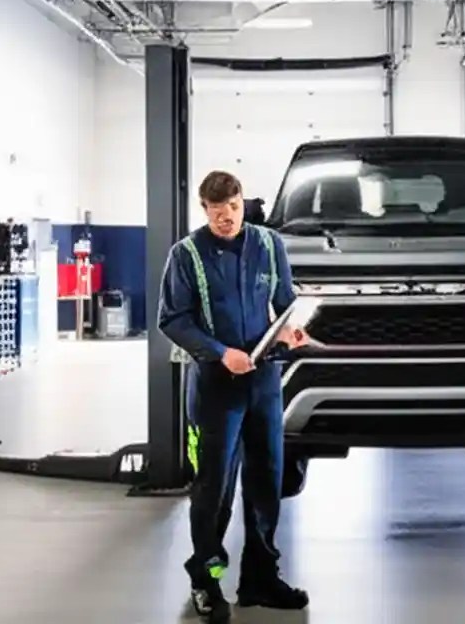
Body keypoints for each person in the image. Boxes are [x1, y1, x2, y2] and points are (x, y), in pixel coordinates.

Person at [158, 170, 310, 621]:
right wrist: (221, 353)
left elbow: (286, 303)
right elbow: (173, 319)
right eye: (219, 212)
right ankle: (206, 579)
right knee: (214, 488)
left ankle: (261, 579)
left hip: (263, 382)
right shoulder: (185, 255)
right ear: (204, 209)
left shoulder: (268, 244)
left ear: (243, 202)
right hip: (215, 387)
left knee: (266, 479)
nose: (228, 218)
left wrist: (291, 332)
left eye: (235, 208)